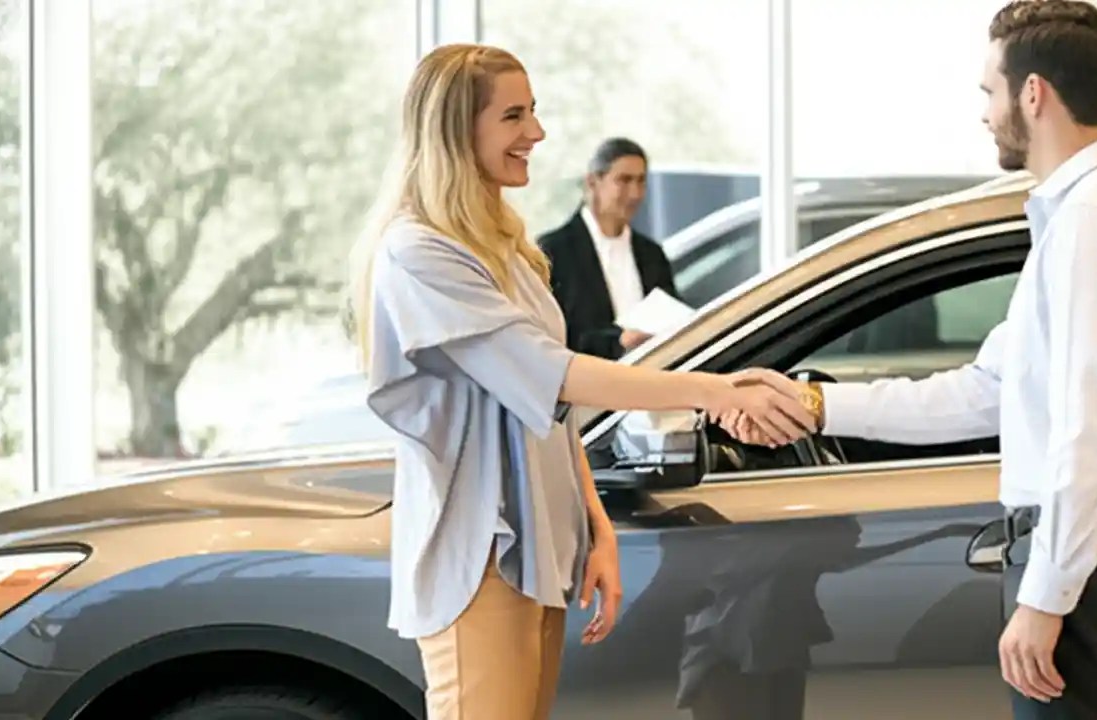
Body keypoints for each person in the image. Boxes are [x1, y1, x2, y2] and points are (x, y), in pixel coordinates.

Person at [716, 2, 1097, 718]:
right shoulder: (1083, 216)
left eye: (989, 91)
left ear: (1033, 93)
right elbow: (984, 392)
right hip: (1090, 559)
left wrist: (1046, 595)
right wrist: (815, 406)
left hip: (1090, 565)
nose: (985, 111)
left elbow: (1094, 429)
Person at [347, 44, 815, 720]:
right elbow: (554, 373)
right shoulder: (418, 252)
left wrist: (595, 526)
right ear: (455, 130)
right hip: (477, 554)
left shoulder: (501, 244)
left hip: (532, 546)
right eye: (514, 115)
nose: (536, 133)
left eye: (533, 112)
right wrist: (709, 389)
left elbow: (549, 412)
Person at [539, 138, 679, 359]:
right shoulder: (553, 251)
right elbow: (548, 337)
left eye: (641, 181)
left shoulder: (652, 254)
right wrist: (619, 340)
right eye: (624, 180)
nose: (635, 193)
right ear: (593, 182)